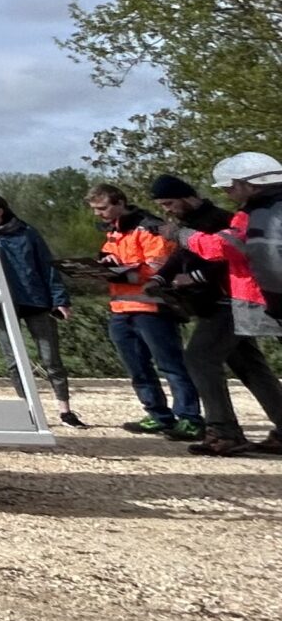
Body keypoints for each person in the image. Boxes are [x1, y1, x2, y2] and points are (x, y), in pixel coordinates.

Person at [149, 154, 282, 457]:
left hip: (242, 298)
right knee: (248, 365)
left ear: (249, 184)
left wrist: (181, 236)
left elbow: (224, 248)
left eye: (230, 187)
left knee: (200, 358)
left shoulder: (252, 213)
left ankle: (223, 432)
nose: (227, 194)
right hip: (255, 296)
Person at [86, 184, 204, 437]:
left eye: (103, 208)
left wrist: (123, 272)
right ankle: (158, 415)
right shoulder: (114, 231)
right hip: (121, 307)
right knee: (137, 367)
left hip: (152, 307)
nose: (99, 214)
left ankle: (189, 418)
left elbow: (159, 269)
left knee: (171, 365)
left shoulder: (150, 227)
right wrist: (103, 266)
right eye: (95, 209)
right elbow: (111, 260)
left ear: (120, 202)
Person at [0, 192, 83, 426]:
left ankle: (65, 410)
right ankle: (29, 409)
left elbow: (47, 265)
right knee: (13, 359)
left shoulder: (27, 232)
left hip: (34, 298)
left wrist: (60, 299)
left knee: (50, 357)